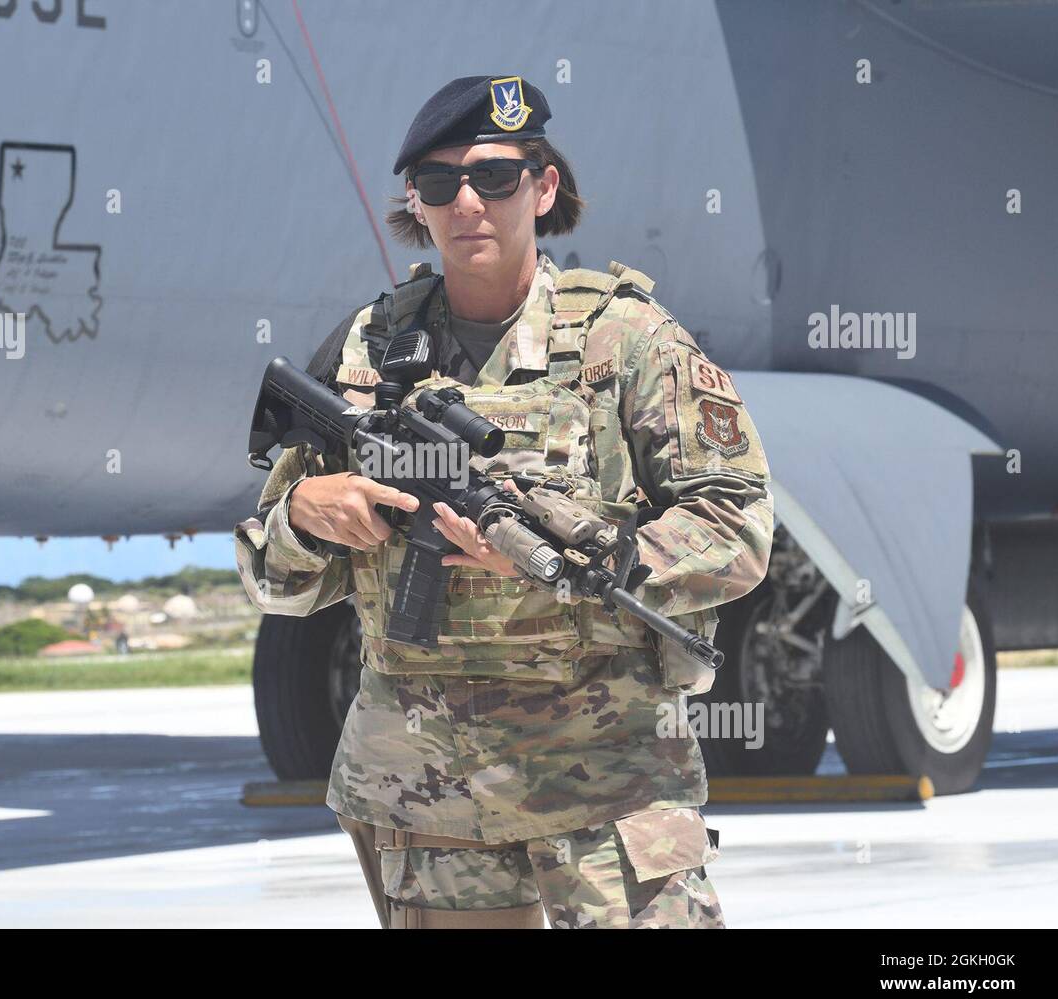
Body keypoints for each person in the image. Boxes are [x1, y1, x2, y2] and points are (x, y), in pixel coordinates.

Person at [234, 74, 774, 929]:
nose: (468, 204)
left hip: (607, 793)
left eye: (495, 177)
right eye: (441, 183)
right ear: (417, 199)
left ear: (544, 186)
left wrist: (595, 555)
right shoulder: (367, 349)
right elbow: (272, 578)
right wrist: (306, 515)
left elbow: (738, 528)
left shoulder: (624, 341)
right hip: (431, 802)